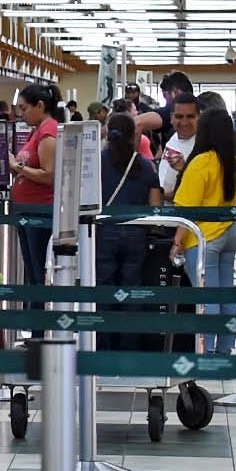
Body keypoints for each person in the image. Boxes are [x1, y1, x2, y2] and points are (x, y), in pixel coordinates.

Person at [171, 106, 236, 354]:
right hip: (229, 233)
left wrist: (176, 243)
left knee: (207, 297)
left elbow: (186, 209)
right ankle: (226, 348)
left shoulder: (201, 162)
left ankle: (207, 350)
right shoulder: (235, 163)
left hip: (203, 238)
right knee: (226, 295)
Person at [97, 113, 163, 352]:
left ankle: (103, 346)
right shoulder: (144, 165)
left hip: (103, 232)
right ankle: (130, 347)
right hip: (136, 233)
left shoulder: (96, 162)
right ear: (133, 135)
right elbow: (155, 205)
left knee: (103, 290)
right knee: (132, 289)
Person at [11, 83, 61, 286]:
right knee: (32, 271)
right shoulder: (37, 130)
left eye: (24, 108)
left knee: (38, 271)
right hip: (28, 210)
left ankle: (39, 313)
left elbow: (50, 175)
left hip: (39, 210)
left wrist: (18, 167)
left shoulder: (48, 131)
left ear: (39, 106)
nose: (21, 114)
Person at [157, 93, 201, 196]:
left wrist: (184, 170)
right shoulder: (173, 139)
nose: (184, 123)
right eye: (179, 117)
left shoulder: (206, 145)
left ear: (199, 117)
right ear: (171, 117)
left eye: (190, 116)